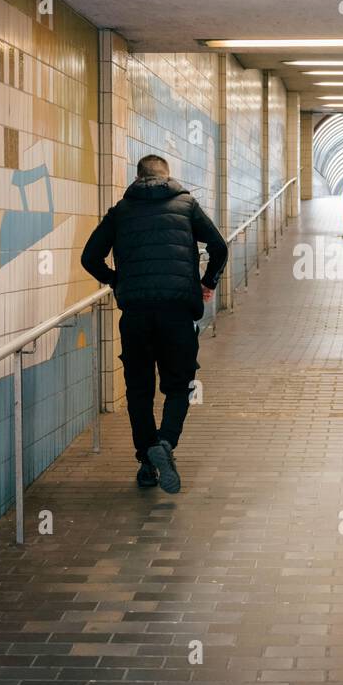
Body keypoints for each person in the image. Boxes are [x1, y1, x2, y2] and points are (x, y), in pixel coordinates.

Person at [80, 154, 228, 493]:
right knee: (179, 385)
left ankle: (147, 464)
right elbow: (218, 246)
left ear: (138, 177)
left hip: (136, 316)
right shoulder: (187, 205)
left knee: (139, 390)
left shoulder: (121, 211)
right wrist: (208, 282)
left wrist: (116, 280)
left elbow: (89, 257)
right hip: (177, 313)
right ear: (167, 176)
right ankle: (165, 444)